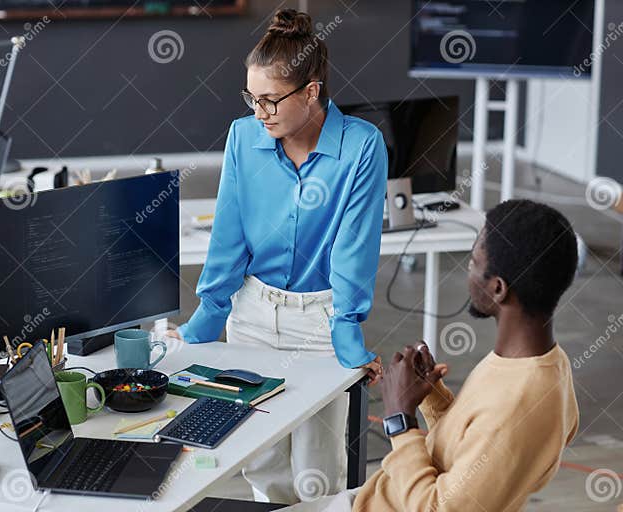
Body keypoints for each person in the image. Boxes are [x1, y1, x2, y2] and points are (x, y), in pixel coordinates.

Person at [166, 8, 387, 503]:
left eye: (270, 100)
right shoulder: (244, 138)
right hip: (252, 314)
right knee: (261, 462)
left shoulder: (360, 147)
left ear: (311, 91)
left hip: (320, 323)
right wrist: (209, 313)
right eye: (252, 99)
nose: (259, 112)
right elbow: (228, 233)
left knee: (317, 471)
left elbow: (354, 246)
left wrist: (347, 330)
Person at [279, 199, 580, 511]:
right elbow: (468, 452)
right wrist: (432, 397)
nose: (469, 270)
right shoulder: (546, 365)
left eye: (474, 262)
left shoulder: (517, 405)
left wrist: (399, 419)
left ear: (498, 288)